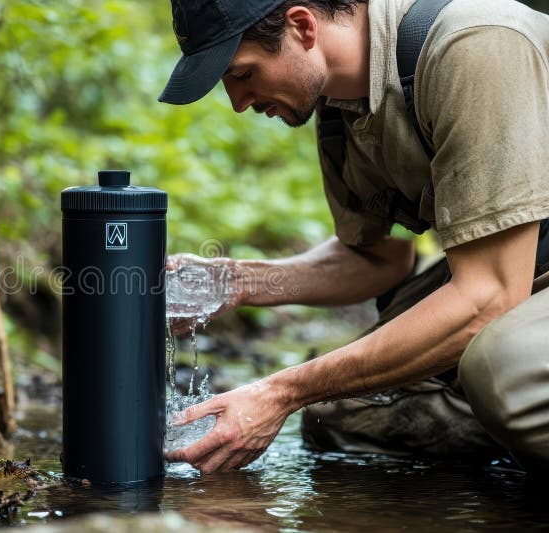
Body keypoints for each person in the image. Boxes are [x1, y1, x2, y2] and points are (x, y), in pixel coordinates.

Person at [159, 0, 549, 474]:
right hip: (519, 266)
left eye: (242, 75)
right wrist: (234, 282)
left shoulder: (473, 45)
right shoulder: (338, 109)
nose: (239, 102)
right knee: (341, 414)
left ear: (302, 25)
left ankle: (510, 412)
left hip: (506, 279)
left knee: (501, 369)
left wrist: (281, 391)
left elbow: (488, 296)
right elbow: (378, 260)